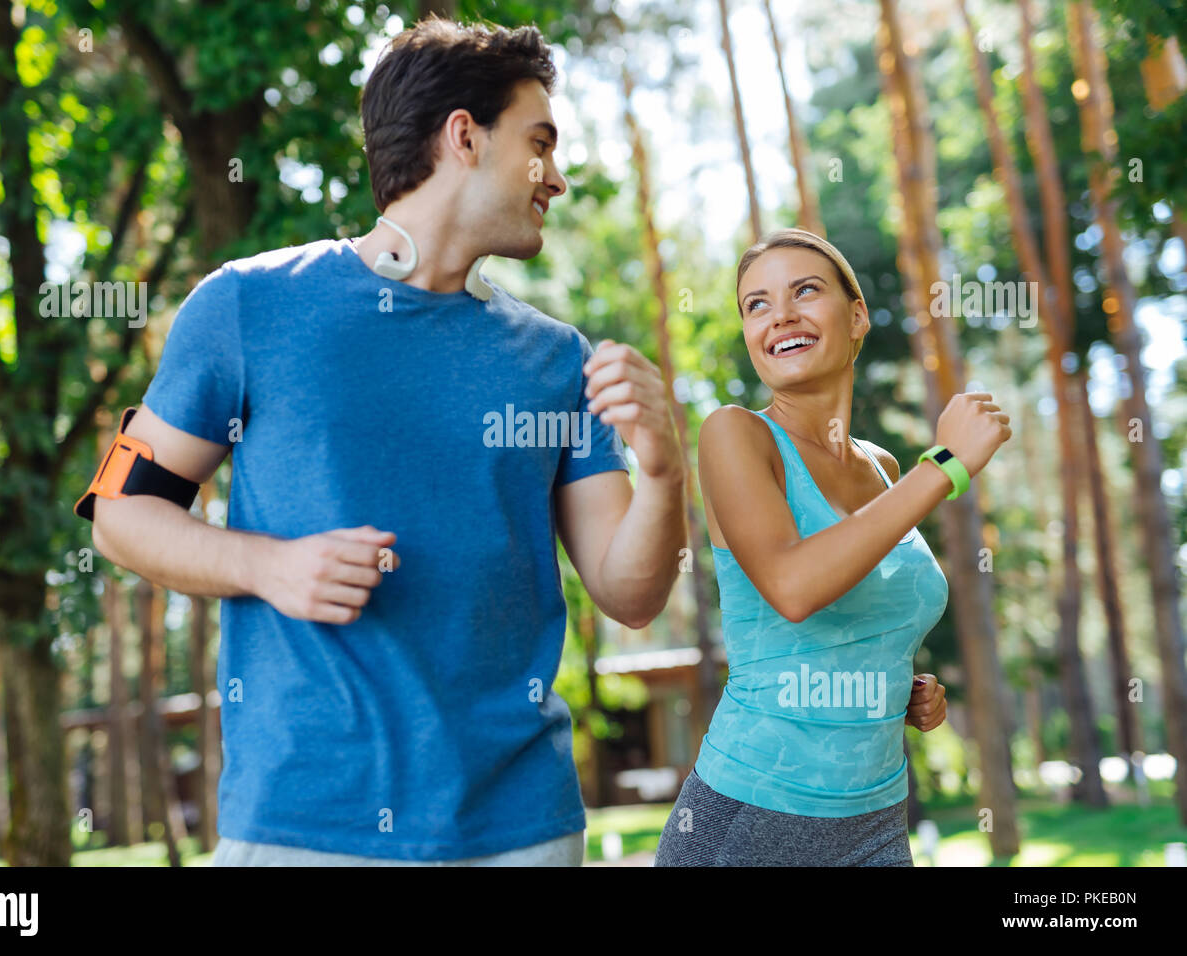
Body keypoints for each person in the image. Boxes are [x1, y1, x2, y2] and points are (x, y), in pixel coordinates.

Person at [83, 17, 688, 866]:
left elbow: (630, 594)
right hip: (301, 824)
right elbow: (119, 513)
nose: (556, 177)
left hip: (520, 832)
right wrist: (269, 566)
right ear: (464, 136)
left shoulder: (558, 361)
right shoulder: (248, 307)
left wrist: (663, 472)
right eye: (539, 143)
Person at [653, 228, 1011, 866]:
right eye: (756, 305)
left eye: (805, 291)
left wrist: (892, 683)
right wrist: (947, 465)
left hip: (876, 816)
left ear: (857, 317)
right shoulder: (736, 436)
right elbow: (792, 587)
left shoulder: (882, 468)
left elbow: (857, 611)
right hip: (750, 820)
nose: (780, 315)